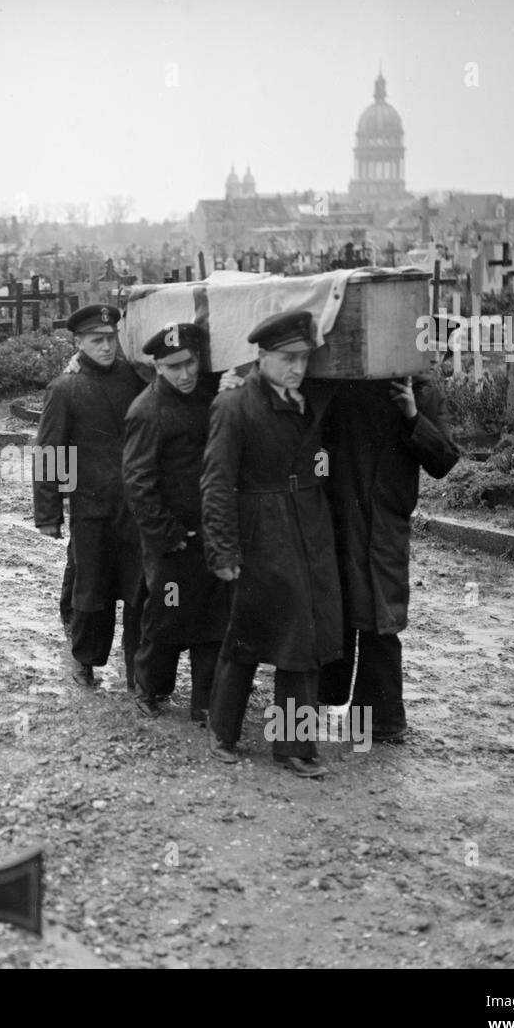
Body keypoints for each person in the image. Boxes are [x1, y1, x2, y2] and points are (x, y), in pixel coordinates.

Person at [201, 309, 342, 778]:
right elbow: (216, 483)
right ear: (261, 356)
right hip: (259, 532)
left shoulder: (306, 400)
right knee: (245, 637)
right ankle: (223, 733)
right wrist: (222, 550)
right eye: (287, 358)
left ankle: (294, 747)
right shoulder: (234, 405)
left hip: (307, 529)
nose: (297, 368)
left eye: (303, 358)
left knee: (301, 640)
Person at [313, 375, 460, 742]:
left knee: (381, 614)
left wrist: (412, 415)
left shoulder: (422, 391)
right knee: (336, 605)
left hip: (385, 522)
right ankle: (322, 698)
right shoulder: (342, 384)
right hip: (339, 512)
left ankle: (378, 721)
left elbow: (443, 459)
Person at [34, 303, 145, 692]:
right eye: (96, 340)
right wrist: (49, 513)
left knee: (138, 592)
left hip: (134, 508)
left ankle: (139, 673)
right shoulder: (65, 388)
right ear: (78, 342)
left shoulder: (133, 377)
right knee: (91, 589)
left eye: (110, 338)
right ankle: (85, 660)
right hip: (92, 507)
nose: (106, 346)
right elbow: (51, 452)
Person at [122, 322, 227, 720]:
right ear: (158, 367)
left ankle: (206, 701)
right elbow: (138, 484)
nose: (184, 374)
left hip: (208, 532)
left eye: (190, 364)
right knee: (167, 615)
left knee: (213, 620)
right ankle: (150, 689)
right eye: (174, 366)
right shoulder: (147, 410)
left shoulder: (204, 397)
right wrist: (167, 536)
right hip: (171, 541)